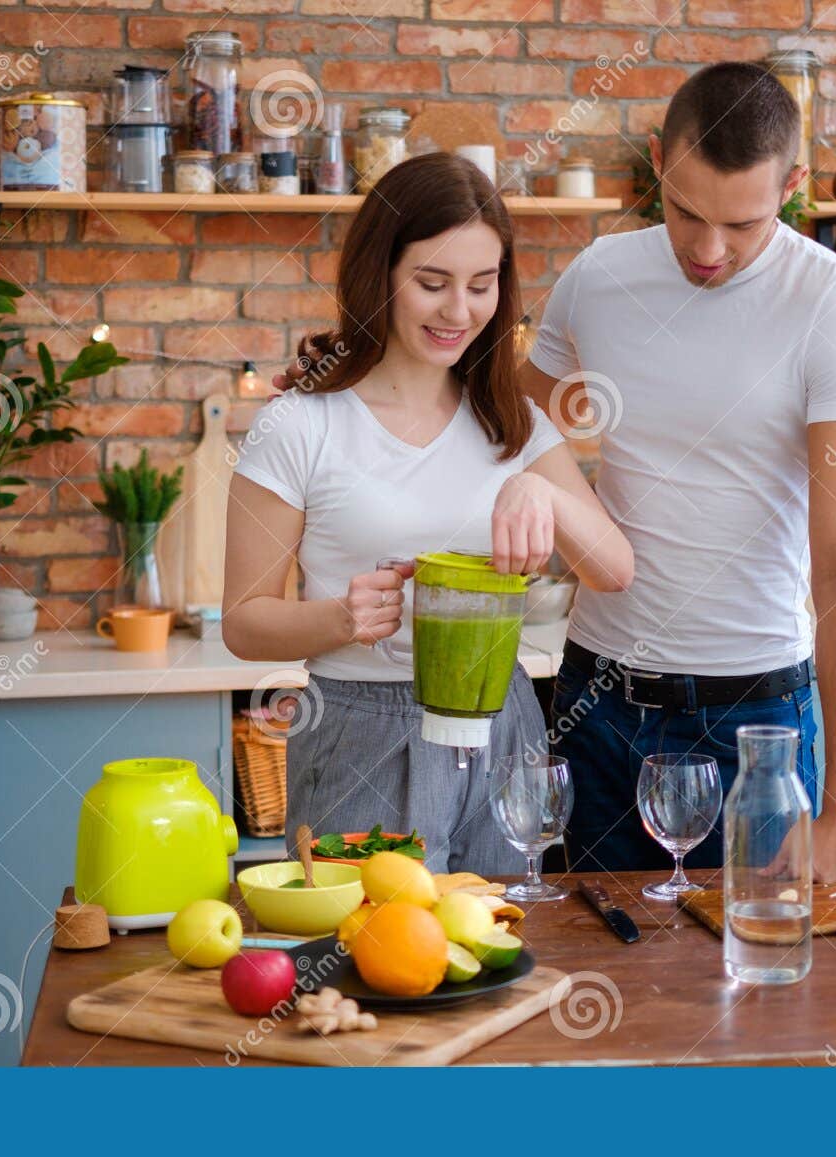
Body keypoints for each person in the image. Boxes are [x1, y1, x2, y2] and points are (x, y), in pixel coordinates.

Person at [518, 62, 836, 882]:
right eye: (686, 211)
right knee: (605, 974)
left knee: (759, 996)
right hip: (596, 705)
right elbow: (519, 434)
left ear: (793, 186)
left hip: (754, 721)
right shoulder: (599, 277)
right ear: (658, 159)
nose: (708, 249)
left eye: (744, 224)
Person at [223, 152, 633, 875]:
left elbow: (614, 568)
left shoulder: (511, 418)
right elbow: (243, 620)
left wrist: (546, 492)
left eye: (482, 285)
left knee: (501, 953)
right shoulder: (299, 425)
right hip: (357, 726)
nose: (458, 311)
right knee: (367, 961)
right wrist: (338, 619)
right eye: (432, 283)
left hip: (504, 729)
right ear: (378, 273)